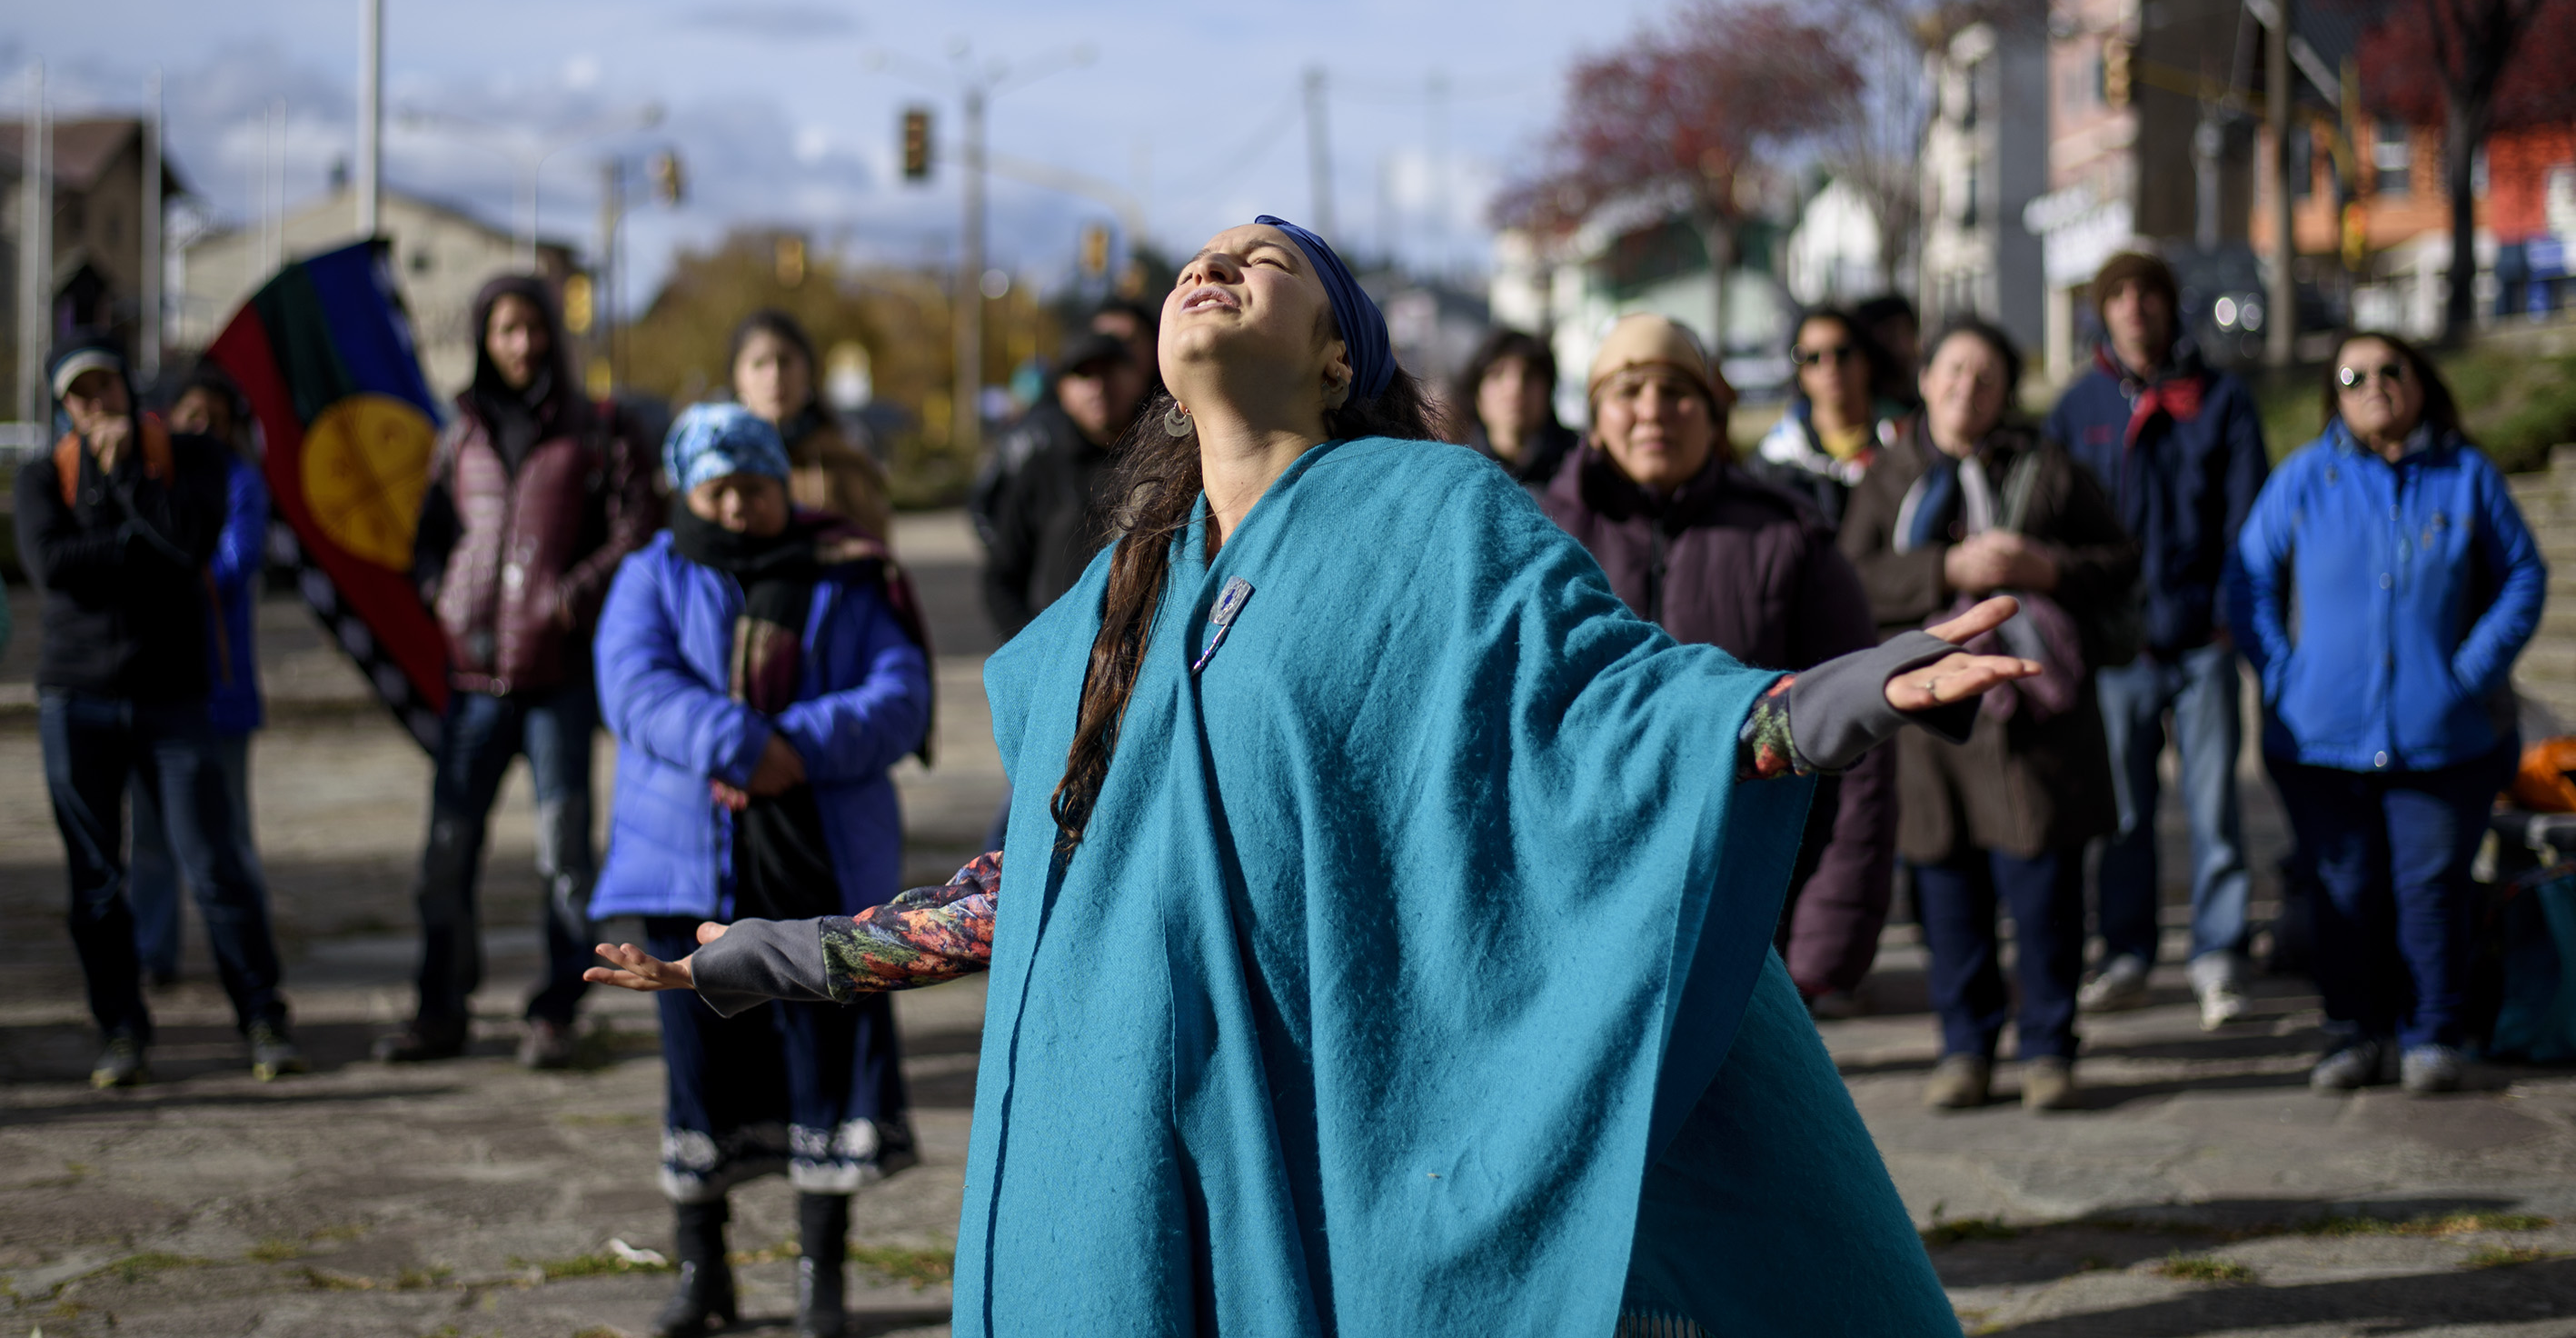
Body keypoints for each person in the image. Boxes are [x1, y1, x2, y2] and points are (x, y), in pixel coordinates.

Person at [589, 214, 2047, 1334]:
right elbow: (1030, 879)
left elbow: (1610, 709)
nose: (1213, 267)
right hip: (1131, 1146)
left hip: (1328, 1114)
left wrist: (1827, 698)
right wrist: (782, 954)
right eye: (1199, 259)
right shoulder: (1111, 601)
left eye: (1262, 258)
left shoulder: (1435, 512)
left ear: (1339, 352)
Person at [591, 404, 932, 1338]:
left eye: (756, 484)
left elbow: (900, 697)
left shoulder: (849, 574)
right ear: (687, 492)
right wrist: (739, 743)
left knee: (823, 1063)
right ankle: (705, 1270)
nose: (739, 504)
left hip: (819, 860)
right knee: (700, 1070)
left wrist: (792, 747)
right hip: (683, 868)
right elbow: (633, 686)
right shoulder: (650, 576)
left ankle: (822, 1273)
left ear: (784, 483)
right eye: (718, 487)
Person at [1545, 315, 1900, 1016]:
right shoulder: (1537, 542)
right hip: (1583, 921)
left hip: (1753, 919)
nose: (1652, 410)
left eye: (1677, 390)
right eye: (1628, 390)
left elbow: (1860, 746)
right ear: (1592, 415)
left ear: (1713, 413)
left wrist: (1829, 929)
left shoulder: (1787, 536)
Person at [2228, 332, 2546, 1094]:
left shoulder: (2465, 477)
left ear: (2419, 384)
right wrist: (2281, 673)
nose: (2372, 385)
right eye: (2352, 375)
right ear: (2333, 395)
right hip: (2318, 743)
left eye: (2388, 371)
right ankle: (2351, 1031)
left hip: (2443, 739)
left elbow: (2523, 578)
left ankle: (2432, 1032)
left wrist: (2467, 673)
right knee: (2343, 889)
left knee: (2428, 887)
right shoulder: (2304, 477)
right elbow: (2246, 584)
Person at [1841, 317, 2136, 1113]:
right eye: (1952, 371)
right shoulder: (1890, 474)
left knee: (2044, 897)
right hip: (1931, 725)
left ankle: (2047, 1048)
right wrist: (1942, 567)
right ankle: (1964, 1047)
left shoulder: (2046, 467)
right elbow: (1850, 577)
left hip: (2035, 721)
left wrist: (2042, 566)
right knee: (1948, 894)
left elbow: (2118, 564)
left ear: (2005, 392)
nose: (1966, 388)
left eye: (1985, 376)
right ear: (1927, 378)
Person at [376, 275, 655, 1068]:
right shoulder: (457, 433)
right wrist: (442, 594)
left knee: (564, 857)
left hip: (557, 682)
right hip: (471, 684)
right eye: (504, 329)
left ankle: (556, 1013)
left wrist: (572, 597)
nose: (521, 343)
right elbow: (426, 538)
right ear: (483, 339)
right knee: (446, 853)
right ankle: (440, 1009)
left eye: (532, 327)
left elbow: (637, 525)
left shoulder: (594, 427)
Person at [17, 331, 302, 1087]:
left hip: (175, 699)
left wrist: (129, 485)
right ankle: (120, 1028)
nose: (95, 406)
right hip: (76, 699)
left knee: (215, 863)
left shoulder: (194, 460)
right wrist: (128, 535)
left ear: (129, 389)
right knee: (97, 879)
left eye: (105, 388)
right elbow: (53, 570)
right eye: (78, 397)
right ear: (62, 408)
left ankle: (263, 1015)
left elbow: (186, 548)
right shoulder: (43, 478)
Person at [2045, 252, 2271, 1030]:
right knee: (2125, 815)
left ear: (2171, 307)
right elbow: (2055, 523)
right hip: (2116, 653)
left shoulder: (2220, 401)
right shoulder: (2077, 409)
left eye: (2148, 292)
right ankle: (2128, 955)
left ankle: (2218, 954)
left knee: (2214, 808)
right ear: (2100, 310)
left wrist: (2221, 619)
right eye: (2118, 294)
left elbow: (2248, 524)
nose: (2134, 306)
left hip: (2200, 642)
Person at [130, 364, 272, 986]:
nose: (205, 428)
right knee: (152, 833)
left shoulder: (241, 480)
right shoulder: (150, 477)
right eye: (193, 415)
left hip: (220, 685)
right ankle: (152, 952)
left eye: (217, 417)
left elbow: (232, 561)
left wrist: (166, 567)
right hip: (152, 682)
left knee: (230, 834)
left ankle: (248, 954)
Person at [979, 328, 1148, 644]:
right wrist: (1031, 651)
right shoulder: (1040, 468)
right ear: (1063, 391)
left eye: (1108, 372)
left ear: (1135, 378)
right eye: (1083, 376)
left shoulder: (1163, 464)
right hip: (1058, 663)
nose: (1098, 387)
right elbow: (1001, 577)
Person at [731, 310, 894, 545]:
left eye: (785, 361)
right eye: (759, 363)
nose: (775, 375)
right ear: (736, 377)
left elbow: (876, 557)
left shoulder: (844, 460)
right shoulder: (720, 469)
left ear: (808, 371)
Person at [1755, 306, 1907, 528]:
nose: (1830, 366)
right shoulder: (1775, 458)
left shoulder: (1907, 440)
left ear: (1867, 360)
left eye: (1842, 352)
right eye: (1812, 358)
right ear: (1799, 373)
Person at [1457, 327, 1578, 499]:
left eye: (1529, 375)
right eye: (1497, 375)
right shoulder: (1460, 471)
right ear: (1476, 394)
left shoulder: (1581, 465)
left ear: (1549, 390)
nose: (1514, 388)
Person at [1855, 293, 1923, 408]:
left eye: (1907, 332)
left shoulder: (1926, 399)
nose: (1902, 345)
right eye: (1891, 336)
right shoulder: (1860, 409)